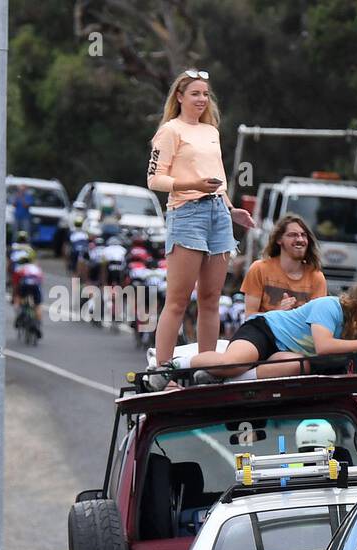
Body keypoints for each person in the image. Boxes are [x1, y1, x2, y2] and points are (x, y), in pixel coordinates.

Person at [145, 68, 256, 379]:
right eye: (195, 93)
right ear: (179, 97)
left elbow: (218, 180)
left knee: (211, 298)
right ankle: (162, 372)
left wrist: (231, 210)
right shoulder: (170, 130)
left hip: (218, 213)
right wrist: (192, 184)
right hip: (187, 213)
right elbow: (155, 179)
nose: (201, 99)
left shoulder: (211, 131)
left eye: (205, 94)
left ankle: (208, 368)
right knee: (179, 299)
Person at [159, 282, 357, 387]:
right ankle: (173, 365)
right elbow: (324, 346)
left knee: (297, 366)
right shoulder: (332, 307)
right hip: (266, 331)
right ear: (356, 302)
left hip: (286, 353)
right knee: (233, 362)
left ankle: (224, 380)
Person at [240, 214, 327, 315]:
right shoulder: (259, 269)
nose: (300, 239)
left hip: (300, 331)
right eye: (293, 235)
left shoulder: (316, 277)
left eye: (303, 235)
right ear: (279, 240)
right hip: (266, 330)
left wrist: (292, 316)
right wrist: (277, 313)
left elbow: (318, 320)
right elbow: (249, 316)